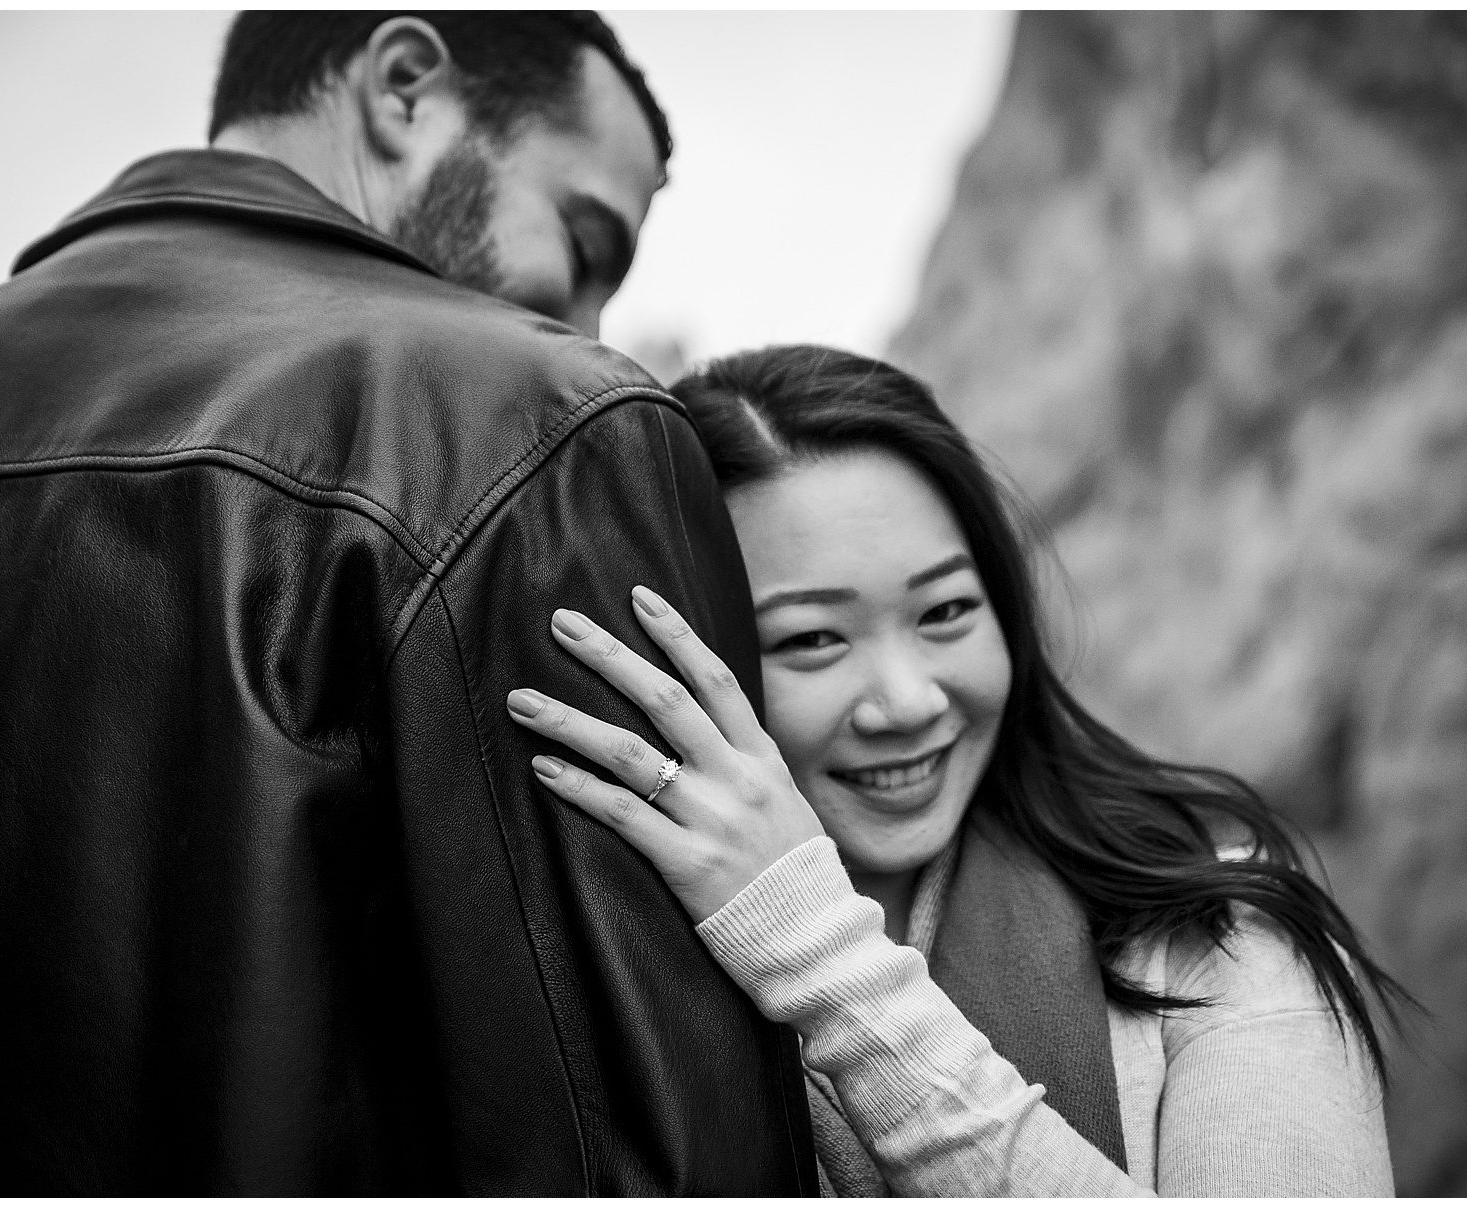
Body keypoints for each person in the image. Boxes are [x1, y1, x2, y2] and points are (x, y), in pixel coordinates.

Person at [0, 13, 816, 1195]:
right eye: (583, 235)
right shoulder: (531, 418)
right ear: (405, 88)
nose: (589, 319)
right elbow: (648, 1141)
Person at [508, 344, 1415, 1196]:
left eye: (945, 611)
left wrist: (816, 949)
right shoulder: (598, 983)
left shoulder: (1216, 937)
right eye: (813, 638)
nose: (908, 702)